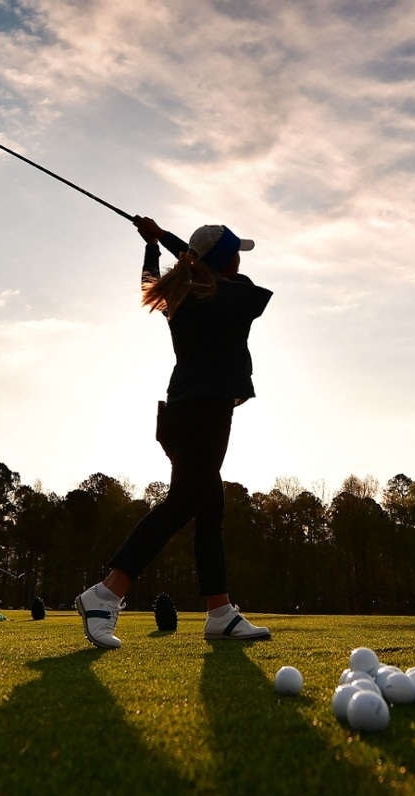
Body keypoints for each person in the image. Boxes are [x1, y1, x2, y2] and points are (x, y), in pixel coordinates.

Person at [75, 217, 273, 649]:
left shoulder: (182, 295)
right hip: (207, 414)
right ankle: (105, 593)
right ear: (227, 260)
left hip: (181, 415)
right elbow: (225, 276)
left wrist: (154, 245)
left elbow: (152, 280)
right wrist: (163, 237)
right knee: (186, 503)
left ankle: (220, 612)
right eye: (236, 252)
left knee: (209, 508)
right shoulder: (235, 295)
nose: (241, 258)